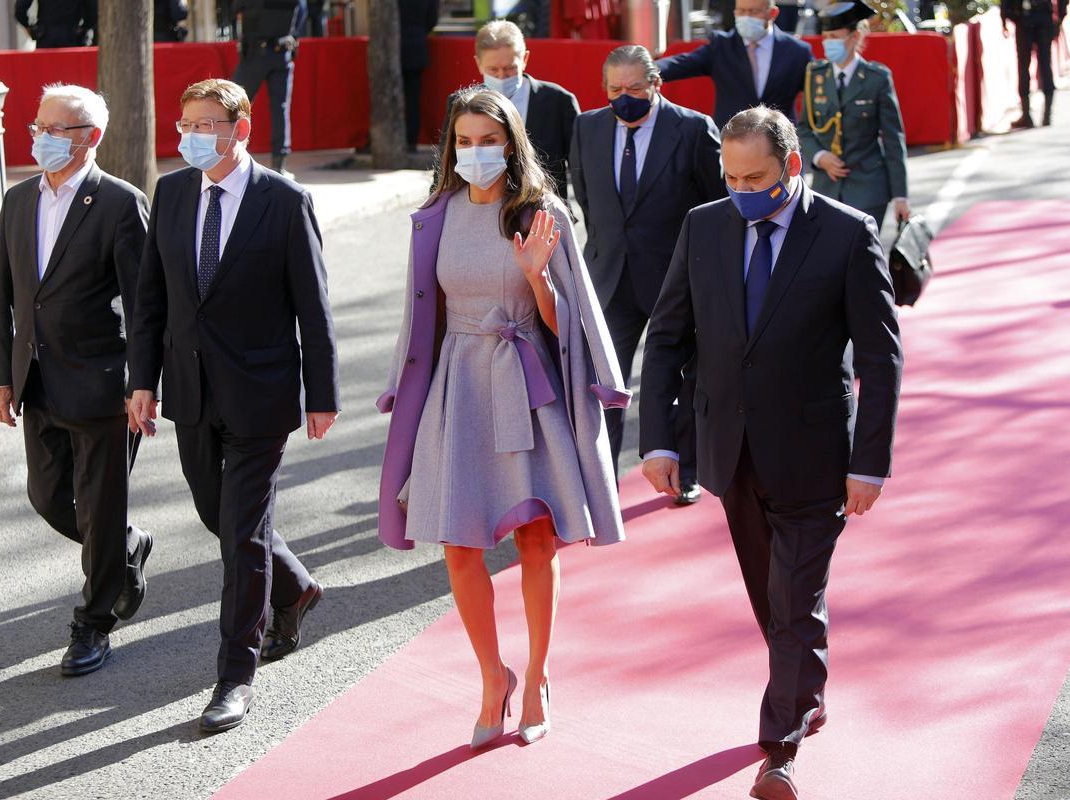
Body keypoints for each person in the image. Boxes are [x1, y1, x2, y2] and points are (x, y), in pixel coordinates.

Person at [639, 106, 902, 800]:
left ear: (790, 165)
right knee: (774, 603)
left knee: (794, 599)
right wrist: (661, 439)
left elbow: (881, 357)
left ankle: (777, 751)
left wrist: (869, 461)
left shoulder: (848, 235)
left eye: (755, 177)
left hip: (815, 457)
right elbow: (668, 337)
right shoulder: (704, 226)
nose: (742, 190)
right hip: (731, 453)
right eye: (731, 177)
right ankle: (806, 690)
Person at [376, 87, 628, 750]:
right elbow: (418, 317)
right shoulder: (433, 217)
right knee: (459, 547)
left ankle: (540, 674)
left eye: (490, 141)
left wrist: (538, 276)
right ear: (450, 147)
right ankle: (494, 678)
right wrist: (400, 391)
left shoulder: (539, 215)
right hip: (456, 390)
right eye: (466, 140)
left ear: (512, 146)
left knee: (535, 541)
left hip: (525, 385)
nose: (477, 152)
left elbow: (565, 328)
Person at [128, 78, 340, 733]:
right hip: (190, 391)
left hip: (261, 393)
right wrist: (143, 381)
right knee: (216, 512)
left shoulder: (284, 200)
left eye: (208, 123)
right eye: (185, 122)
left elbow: (313, 303)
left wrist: (321, 393)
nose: (192, 134)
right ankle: (296, 586)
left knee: (241, 537)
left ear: (241, 129)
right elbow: (150, 298)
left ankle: (233, 677)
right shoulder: (169, 193)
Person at [0, 84, 152, 678]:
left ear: (91, 139)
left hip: (104, 384)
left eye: (56, 130)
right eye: (38, 126)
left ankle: (94, 623)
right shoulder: (18, 199)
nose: (41, 139)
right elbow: (2, 294)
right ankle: (125, 543)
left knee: (99, 504)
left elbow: (142, 302)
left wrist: (143, 383)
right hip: (37, 380)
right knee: (49, 497)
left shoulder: (120, 203)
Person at [569, 45, 725, 503]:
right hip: (611, 279)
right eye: (615, 89)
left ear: (655, 84)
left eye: (634, 88)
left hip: (677, 280)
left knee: (682, 379)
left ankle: (685, 469)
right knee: (604, 383)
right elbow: (589, 200)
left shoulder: (694, 130)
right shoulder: (587, 127)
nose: (624, 97)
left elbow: (718, 207)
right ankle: (600, 481)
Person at [797, 0, 911, 231]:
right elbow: (805, 128)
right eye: (826, 36)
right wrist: (819, 157)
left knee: (861, 260)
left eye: (835, 36)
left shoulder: (876, 78)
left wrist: (900, 196)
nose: (829, 43)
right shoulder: (816, 76)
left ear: (855, 36)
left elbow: (892, 138)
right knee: (829, 260)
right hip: (826, 190)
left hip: (868, 188)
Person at [439, 21, 580, 201]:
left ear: (525, 59)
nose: (501, 76)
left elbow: (581, 169)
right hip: (479, 210)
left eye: (510, 68)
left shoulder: (558, 102)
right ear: (478, 63)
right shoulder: (459, 104)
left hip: (544, 215)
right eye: (493, 70)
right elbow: (445, 167)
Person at [657, 0, 813, 127]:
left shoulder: (797, 51)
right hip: (732, 142)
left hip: (779, 146)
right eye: (741, 11)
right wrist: (649, 70)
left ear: (772, 13)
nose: (746, 17)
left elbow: (819, 90)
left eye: (753, 12)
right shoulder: (721, 46)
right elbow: (681, 64)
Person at [231, 0, 307, 177]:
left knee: (232, 105)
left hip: (255, 54)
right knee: (280, 109)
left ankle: (227, 156)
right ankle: (279, 165)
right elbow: (301, 16)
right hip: (282, 53)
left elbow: (237, 9)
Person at [1001, 0, 1067, 128]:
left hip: (1025, 19)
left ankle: (1029, 115)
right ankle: (1045, 115)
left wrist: (1005, 16)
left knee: (1025, 67)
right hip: (1041, 18)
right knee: (1045, 65)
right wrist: (1060, 16)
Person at [401, 0, 441, 149]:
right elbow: (432, 20)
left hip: (396, 47)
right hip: (416, 46)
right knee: (413, 99)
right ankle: (411, 140)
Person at [15, 0, 96, 48]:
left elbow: (20, 9)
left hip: (45, 37)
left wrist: (30, 28)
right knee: (72, 75)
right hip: (72, 37)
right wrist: (84, 28)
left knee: (46, 75)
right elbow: (93, 10)